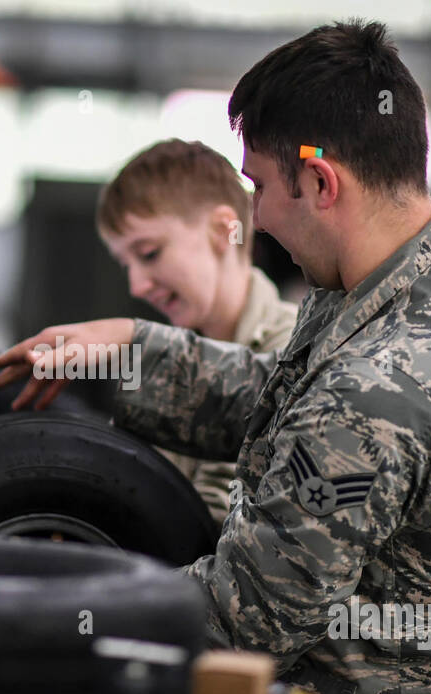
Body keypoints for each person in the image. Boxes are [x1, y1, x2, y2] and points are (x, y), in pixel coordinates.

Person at [0, 19, 431, 694]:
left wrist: (40, 601)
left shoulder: (377, 387)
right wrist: (130, 345)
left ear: (319, 180)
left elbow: (242, 618)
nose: (256, 214)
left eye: (259, 184)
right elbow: (285, 402)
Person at [95, 138, 298, 521]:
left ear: (223, 231)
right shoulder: (162, 364)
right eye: (127, 264)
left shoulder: (298, 354)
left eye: (150, 253)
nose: (137, 285)